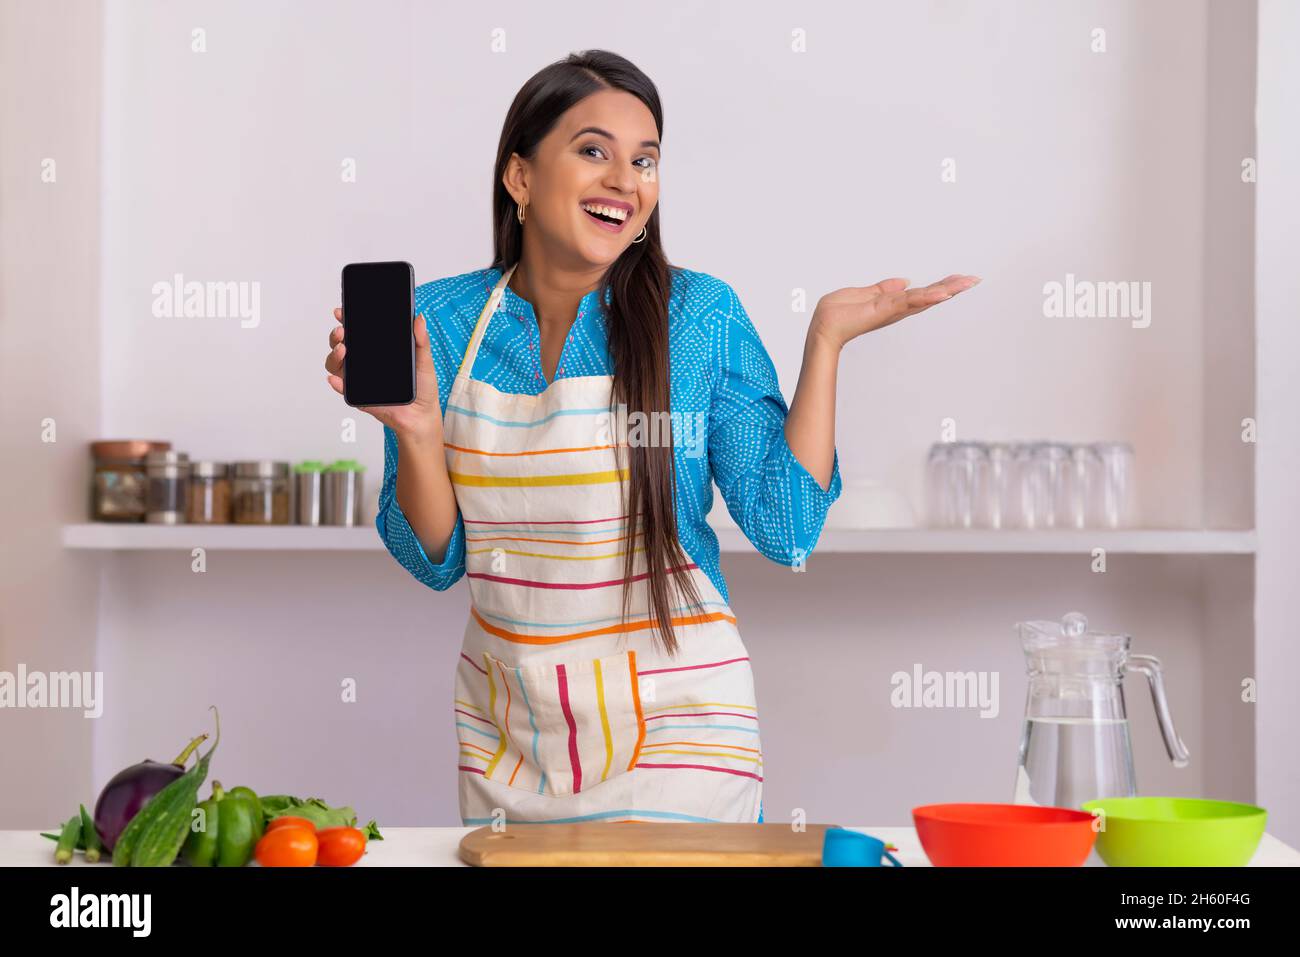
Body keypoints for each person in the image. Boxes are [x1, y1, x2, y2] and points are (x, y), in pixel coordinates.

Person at [324, 49, 978, 826]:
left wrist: (826, 344)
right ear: (520, 177)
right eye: (593, 150)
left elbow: (787, 526)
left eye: (645, 160)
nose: (626, 181)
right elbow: (434, 560)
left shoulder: (697, 316)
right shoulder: (441, 319)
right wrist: (417, 431)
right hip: (512, 733)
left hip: (683, 729)